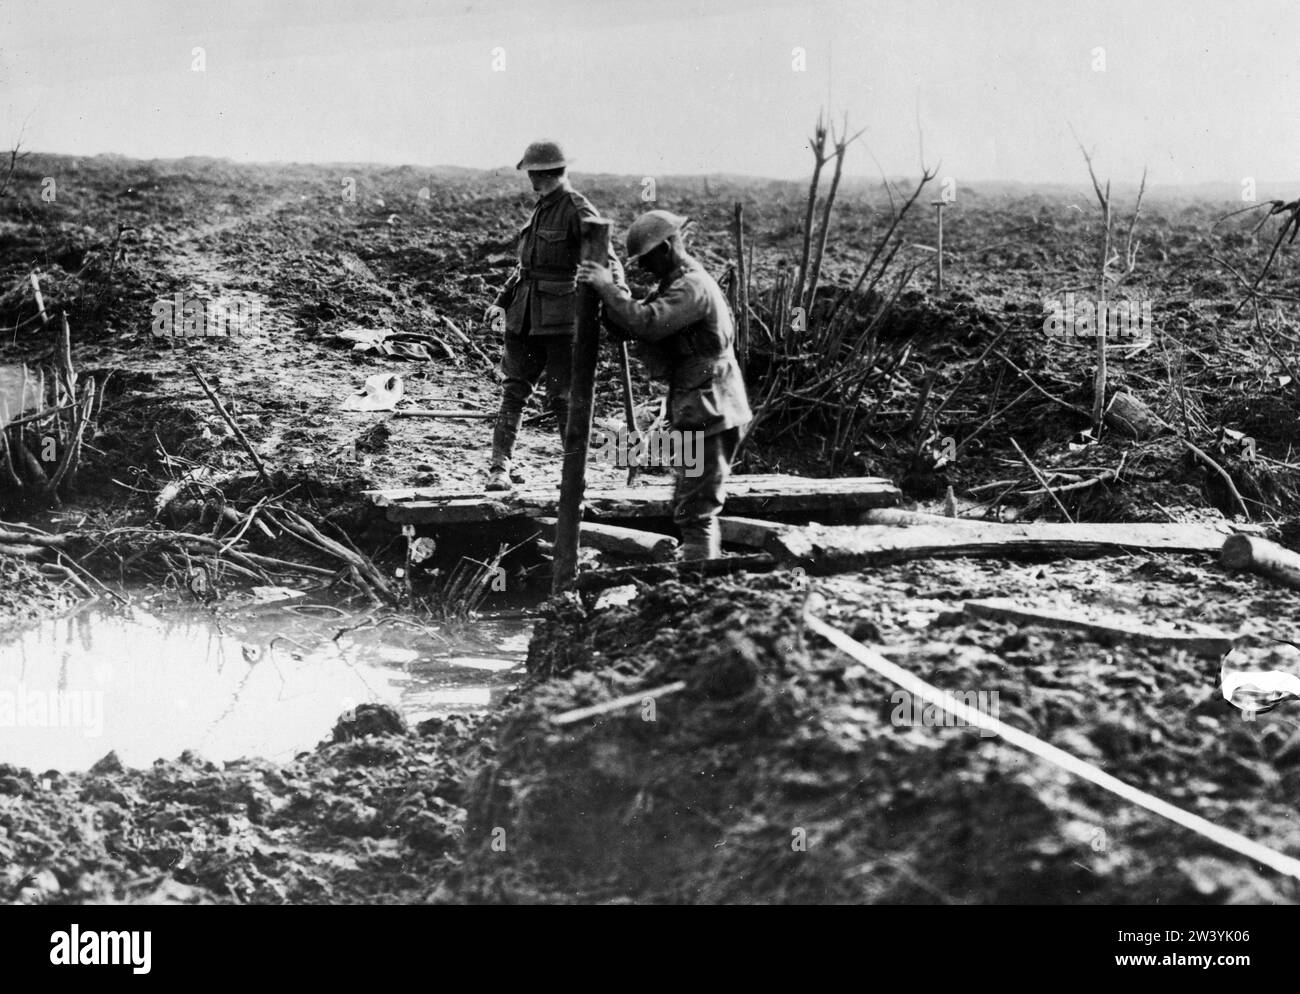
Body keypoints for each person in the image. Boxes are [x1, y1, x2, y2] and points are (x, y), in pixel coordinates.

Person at [577, 210, 752, 560]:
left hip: (712, 408)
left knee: (696, 510)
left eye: (647, 259)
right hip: (699, 405)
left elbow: (650, 323)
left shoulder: (691, 286)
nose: (644, 267)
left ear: (668, 247)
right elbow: (631, 325)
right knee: (689, 502)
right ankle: (696, 581)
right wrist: (612, 290)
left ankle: (697, 587)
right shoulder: (676, 283)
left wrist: (608, 288)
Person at [483, 140, 623, 492]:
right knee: (514, 391)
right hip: (524, 318)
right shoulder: (542, 208)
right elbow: (525, 267)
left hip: (562, 322)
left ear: (550, 172)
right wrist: (502, 300)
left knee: (562, 399)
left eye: (535, 172)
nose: (530, 178)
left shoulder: (577, 209)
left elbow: (610, 263)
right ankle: (499, 468)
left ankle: (574, 474)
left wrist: (617, 304)